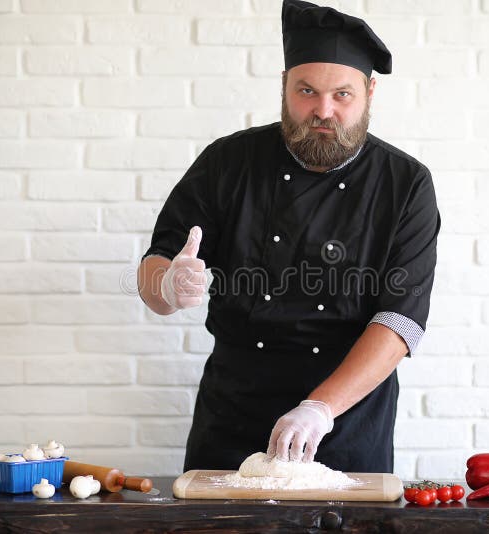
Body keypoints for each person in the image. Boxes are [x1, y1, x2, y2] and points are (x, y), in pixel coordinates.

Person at [138, 0, 440, 474]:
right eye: (307, 91)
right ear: (284, 86)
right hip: (233, 415)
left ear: (369, 92)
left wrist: (319, 408)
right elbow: (155, 267)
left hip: (345, 421)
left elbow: (401, 321)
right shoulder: (227, 162)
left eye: (342, 94)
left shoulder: (405, 184)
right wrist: (167, 288)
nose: (323, 110)